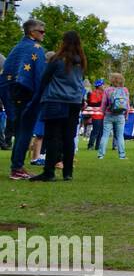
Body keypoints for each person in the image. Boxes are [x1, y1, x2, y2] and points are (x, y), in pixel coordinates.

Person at [28, 31, 86, 183]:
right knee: (68, 138)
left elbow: (45, 79)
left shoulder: (57, 59)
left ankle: (49, 172)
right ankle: (68, 172)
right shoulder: (81, 61)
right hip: (74, 102)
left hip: (56, 100)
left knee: (53, 137)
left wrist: (37, 98)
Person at [4, 17, 46, 180]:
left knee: (21, 131)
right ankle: (17, 168)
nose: (43, 34)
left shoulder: (16, 49)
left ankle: (17, 166)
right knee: (25, 132)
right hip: (28, 94)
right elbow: (39, 75)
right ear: (31, 32)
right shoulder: (36, 49)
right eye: (41, 31)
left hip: (14, 95)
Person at [95, 72, 131, 160]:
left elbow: (104, 103)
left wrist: (103, 113)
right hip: (120, 115)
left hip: (109, 114)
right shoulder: (125, 90)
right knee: (120, 136)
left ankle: (101, 155)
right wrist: (126, 116)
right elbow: (127, 105)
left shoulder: (107, 90)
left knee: (105, 135)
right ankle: (122, 155)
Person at [85, 79, 106, 151]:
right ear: (99, 85)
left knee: (101, 132)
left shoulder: (104, 93)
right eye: (103, 84)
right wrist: (103, 103)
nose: (104, 86)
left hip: (103, 115)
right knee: (95, 131)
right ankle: (90, 145)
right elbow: (93, 104)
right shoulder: (94, 93)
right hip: (96, 115)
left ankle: (98, 146)